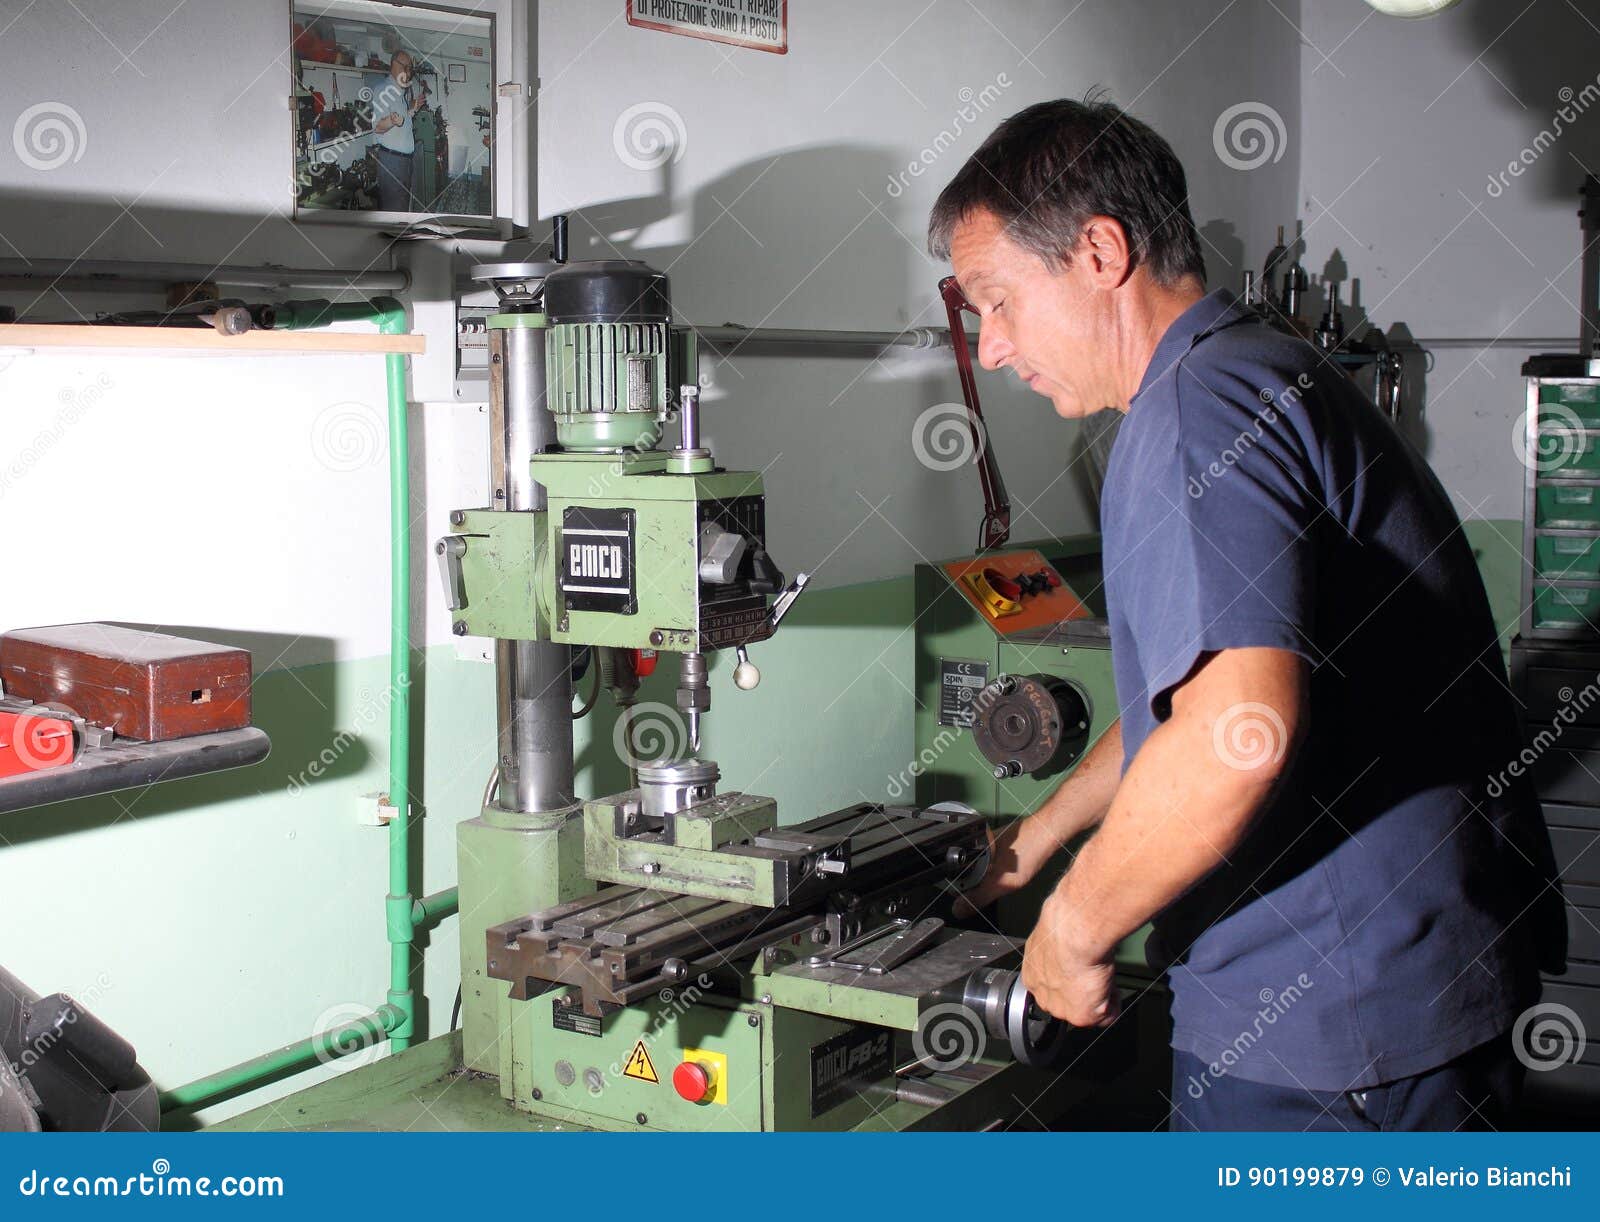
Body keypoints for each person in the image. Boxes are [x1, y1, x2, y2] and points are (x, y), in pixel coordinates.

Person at [928, 98, 1564, 1131]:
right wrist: (1037, 838)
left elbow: (1235, 737)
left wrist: (1072, 930)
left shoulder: (1193, 413)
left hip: (1327, 1027)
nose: (991, 348)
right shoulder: (1270, 371)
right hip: (1421, 982)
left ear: (1099, 253)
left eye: (998, 303)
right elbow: (1191, 701)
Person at [371, 50, 423, 213]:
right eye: (406, 67)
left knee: (402, 207)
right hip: (392, 162)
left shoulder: (399, 92)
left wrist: (413, 109)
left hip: (404, 161)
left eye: (410, 69)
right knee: (394, 211)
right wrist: (392, 121)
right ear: (394, 64)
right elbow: (377, 127)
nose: (408, 73)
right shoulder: (383, 90)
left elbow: (402, 118)